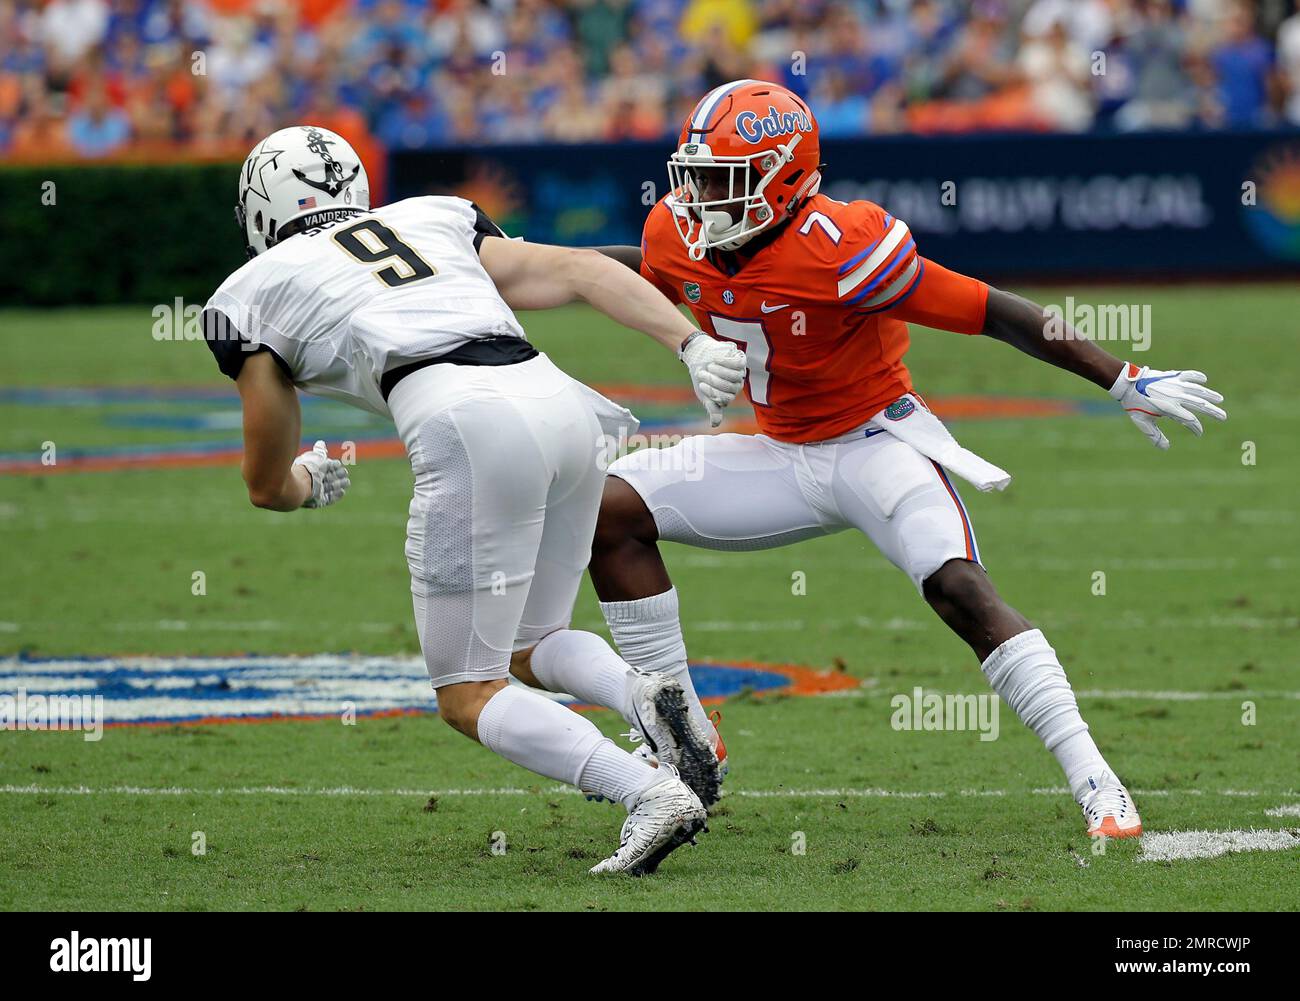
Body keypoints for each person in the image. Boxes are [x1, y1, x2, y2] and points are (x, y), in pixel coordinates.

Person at [567, 80, 1228, 839]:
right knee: (607, 510)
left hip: (875, 445)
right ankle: (683, 737)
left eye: (726, 178)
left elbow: (991, 311)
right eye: (699, 173)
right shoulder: (676, 231)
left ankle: (1098, 781)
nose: (702, 195)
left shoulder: (843, 246)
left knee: (960, 589)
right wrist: (538, 265)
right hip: (777, 454)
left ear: (784, 176)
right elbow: (635, 269)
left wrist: (1120, 376)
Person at [201, 125, 748, 874]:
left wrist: (306, 482)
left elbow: (265, 479)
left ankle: (648, 791)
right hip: (563, 406)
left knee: (467, 692)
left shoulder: (246, 293)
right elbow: (582, 269)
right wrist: (691, 345)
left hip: (466, 421)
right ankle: (643, 695)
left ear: (260, 210)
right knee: (531, 642)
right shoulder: (433, 216)